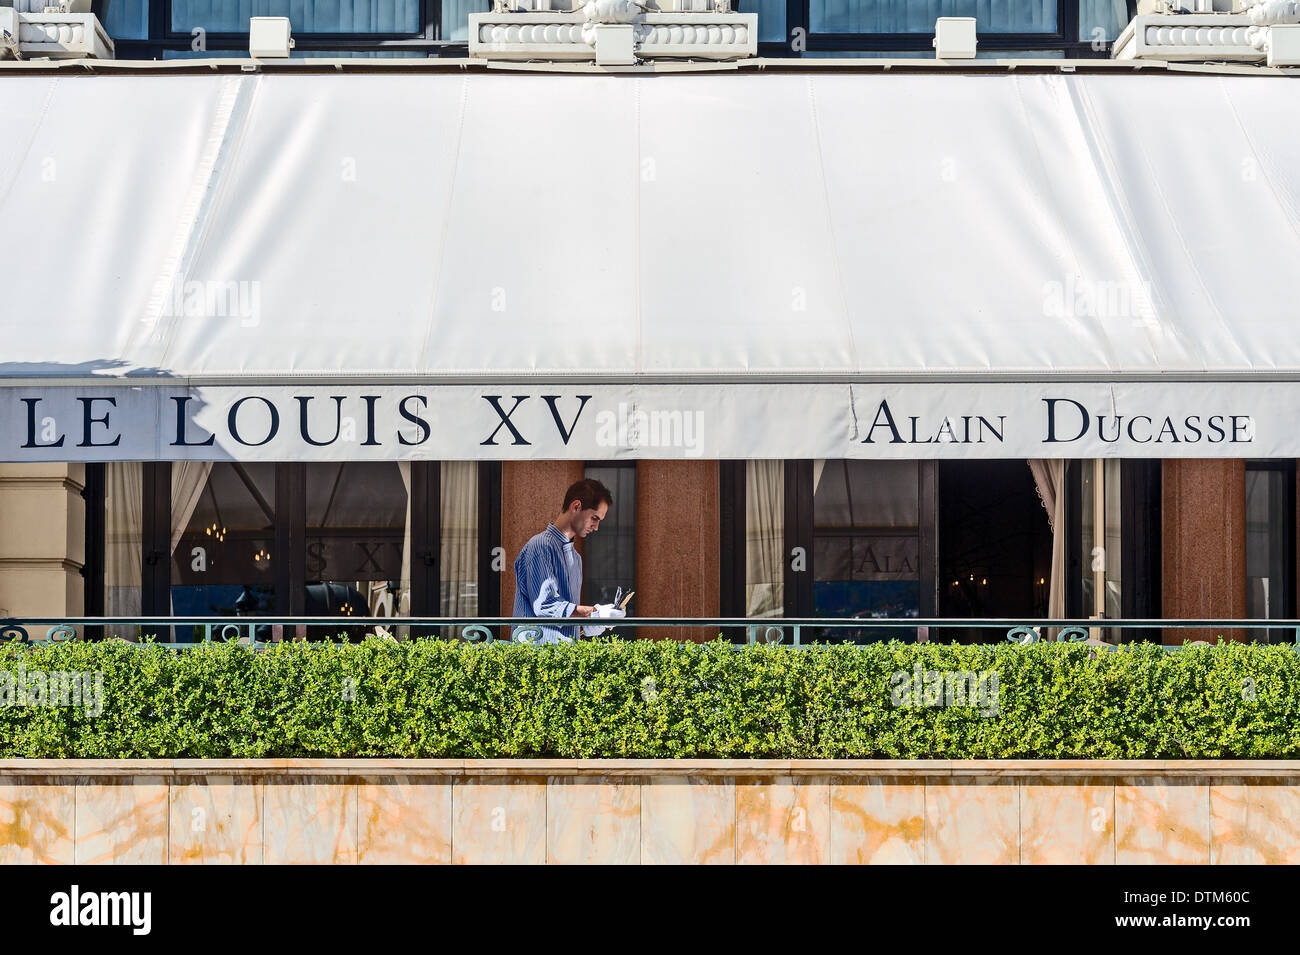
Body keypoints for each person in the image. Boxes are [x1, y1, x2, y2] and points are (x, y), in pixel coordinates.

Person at [512, 478, 613, 644]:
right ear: (576, 507)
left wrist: (588, 624)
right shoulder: (540, 546)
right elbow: (545, 605)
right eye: (595, 518)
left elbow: (563, 616)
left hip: (562, 658)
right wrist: (592, 613)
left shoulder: (576, 558)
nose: (596, 527)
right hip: (536, 659)